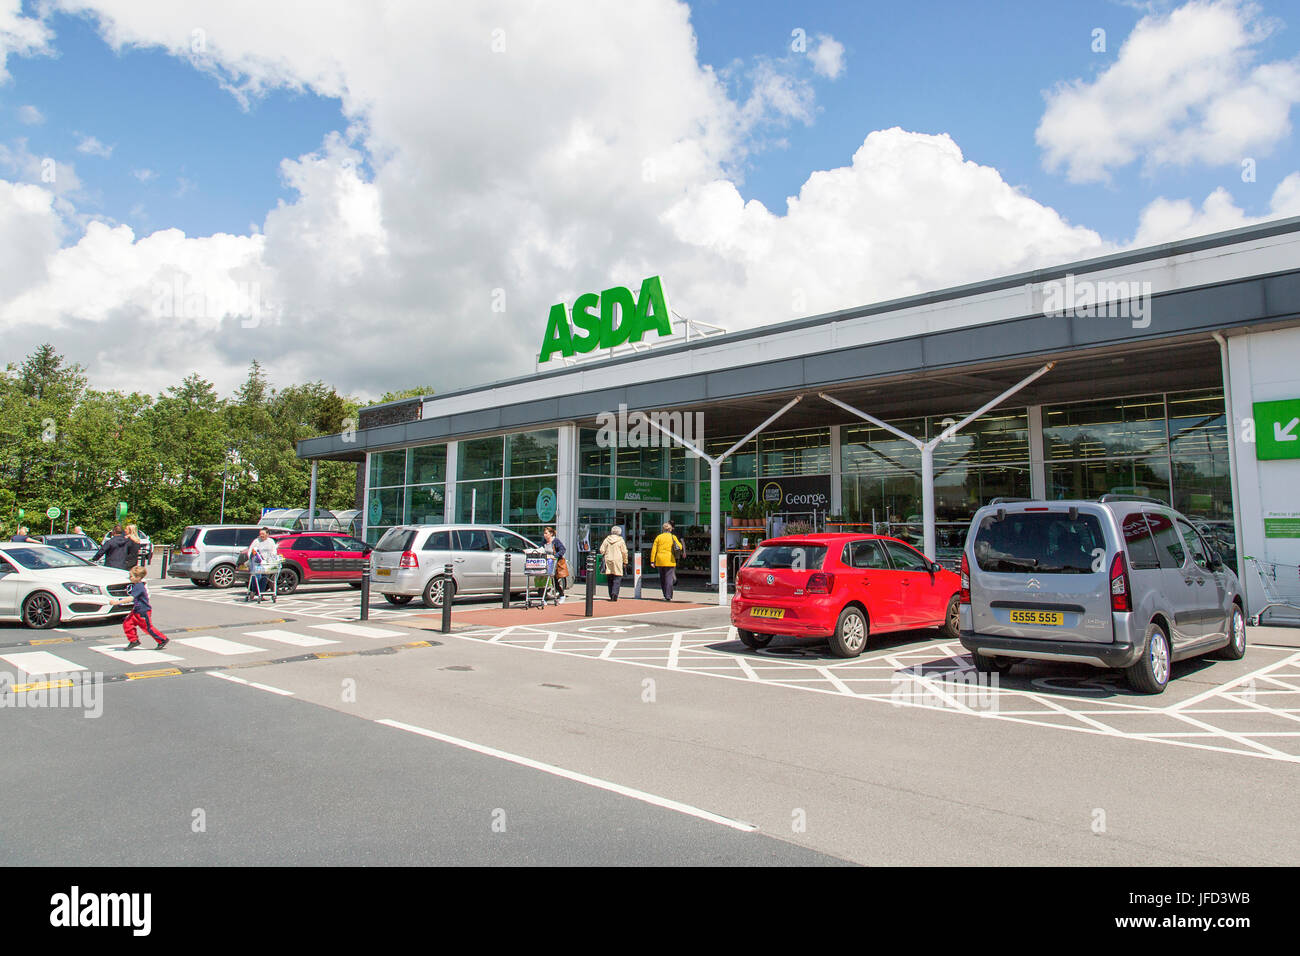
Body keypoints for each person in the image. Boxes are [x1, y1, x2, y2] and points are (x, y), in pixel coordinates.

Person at [121, 565, 169, 650]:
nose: (129, 578)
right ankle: (133, 640)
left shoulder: (139, 586)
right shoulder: (136, 585)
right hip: (137, 610)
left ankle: (162, 639)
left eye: (131, 576)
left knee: (147, 628)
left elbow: (131, 598)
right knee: (127, 623)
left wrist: (118, 602)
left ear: (138, 577)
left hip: (143, 611)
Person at [650, 521, 683, 602]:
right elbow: (680, 547)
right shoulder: (673, 537)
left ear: (663, 529)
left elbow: (654, 550)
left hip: (660, 560)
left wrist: (652, 561)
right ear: (670, 529)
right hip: (670, 559)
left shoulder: (659, 537)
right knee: (669, 578)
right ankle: (668, 595)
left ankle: (665, 593)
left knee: (662, 578)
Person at [245, 528, 279, 603]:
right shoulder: (256, 541)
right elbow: (251, 551)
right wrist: (253, 559)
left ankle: (261, 593)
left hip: (266, 563)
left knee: (264, 577)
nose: (261, 536)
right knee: (257, 577)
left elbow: (274, 551)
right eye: (260, 534)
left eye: (263, 534)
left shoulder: (271, 541)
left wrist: (273, 559)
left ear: (267, 534)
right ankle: (254, 591)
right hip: (257, 562)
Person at [599, 525, 629, 602]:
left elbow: (601, 550)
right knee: (617, 577)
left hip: (608, 559)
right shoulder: (621, 540)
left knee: (610, 577)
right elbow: (624, 552)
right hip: (618, 560)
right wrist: (625, 561)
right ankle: (614, 594)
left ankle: (610, 594)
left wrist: (606, 553)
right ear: (619, 532)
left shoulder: (607, 539)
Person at [542, 526, 569, 604]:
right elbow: (541, 548)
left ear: (551, 534)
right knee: (543, 580)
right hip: (545, 563)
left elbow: (562, 549)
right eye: (544, 533)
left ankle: (562, 595)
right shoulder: (544, 542)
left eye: (546, 533)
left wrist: (555, 556)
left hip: (554, 564)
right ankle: (543, 598)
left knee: (554, 581)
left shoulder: (555, 541)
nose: (544, 535)